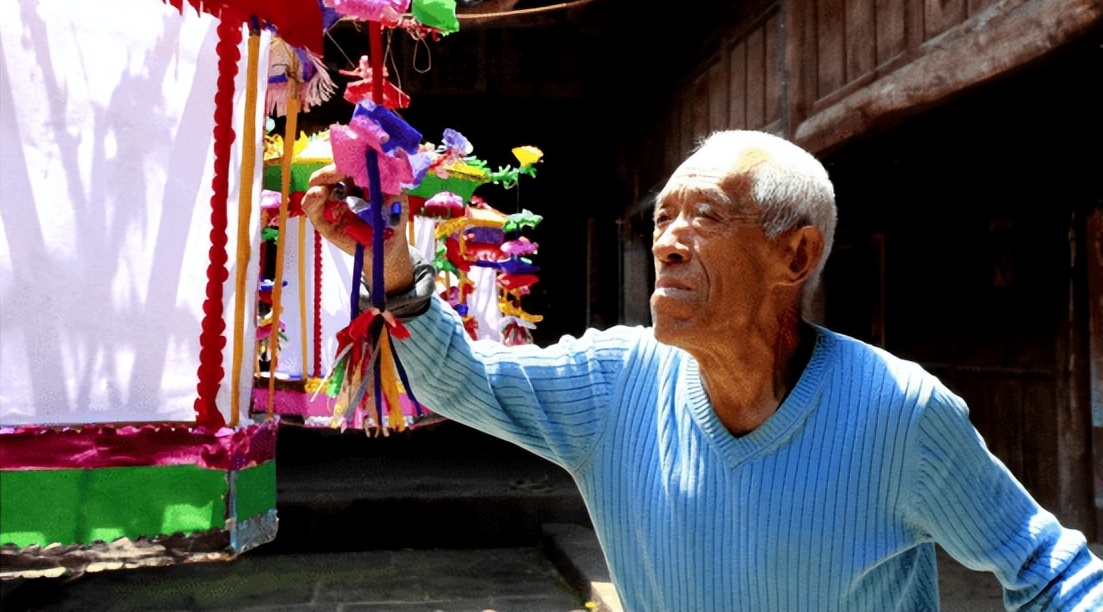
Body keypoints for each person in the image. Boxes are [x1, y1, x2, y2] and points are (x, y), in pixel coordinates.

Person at [303, 129, 1103, 611]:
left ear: (797, 254)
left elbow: (1047, 569)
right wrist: (395, 270)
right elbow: (461, 382)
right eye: (664, 218)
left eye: (707, 217)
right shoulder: (615, 383)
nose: (668, 241)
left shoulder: (898, 412)